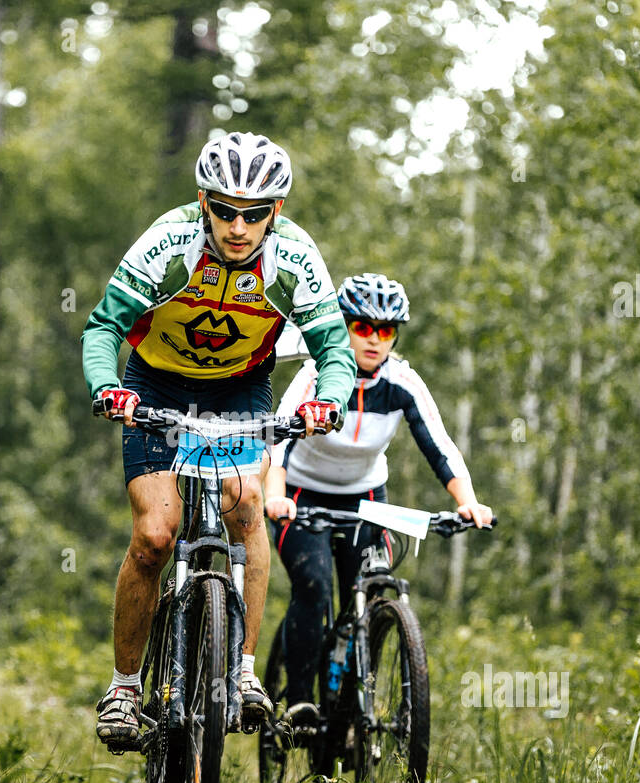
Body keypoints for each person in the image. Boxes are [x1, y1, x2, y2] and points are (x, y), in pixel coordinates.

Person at [82, 132, 355, 749]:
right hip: (154, 382)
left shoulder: (294, 257)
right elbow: (103, 327)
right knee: (156, 534)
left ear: (275, 212)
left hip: (239, 388)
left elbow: (334, 350)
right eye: (225, 209)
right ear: (203, 202)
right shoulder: (169, 241)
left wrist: (326, 402)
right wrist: (108, 388)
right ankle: (124, 689)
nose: (238, 225)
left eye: (255, 213)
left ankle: (243, 673)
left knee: (247, 507)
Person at [264, 272, 494, 721]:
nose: (374, 340)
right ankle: (300, 705)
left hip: (366, 498)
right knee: (313, 586)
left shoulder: (402, 382)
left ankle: (352, 707)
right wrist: (275, 495)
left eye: (385, 330)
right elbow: (277, 441)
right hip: (300, 495)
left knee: (370, 590)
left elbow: (438, 444)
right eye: (362, 327)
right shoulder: (316, 375)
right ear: (344, 326)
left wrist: (468, 500)